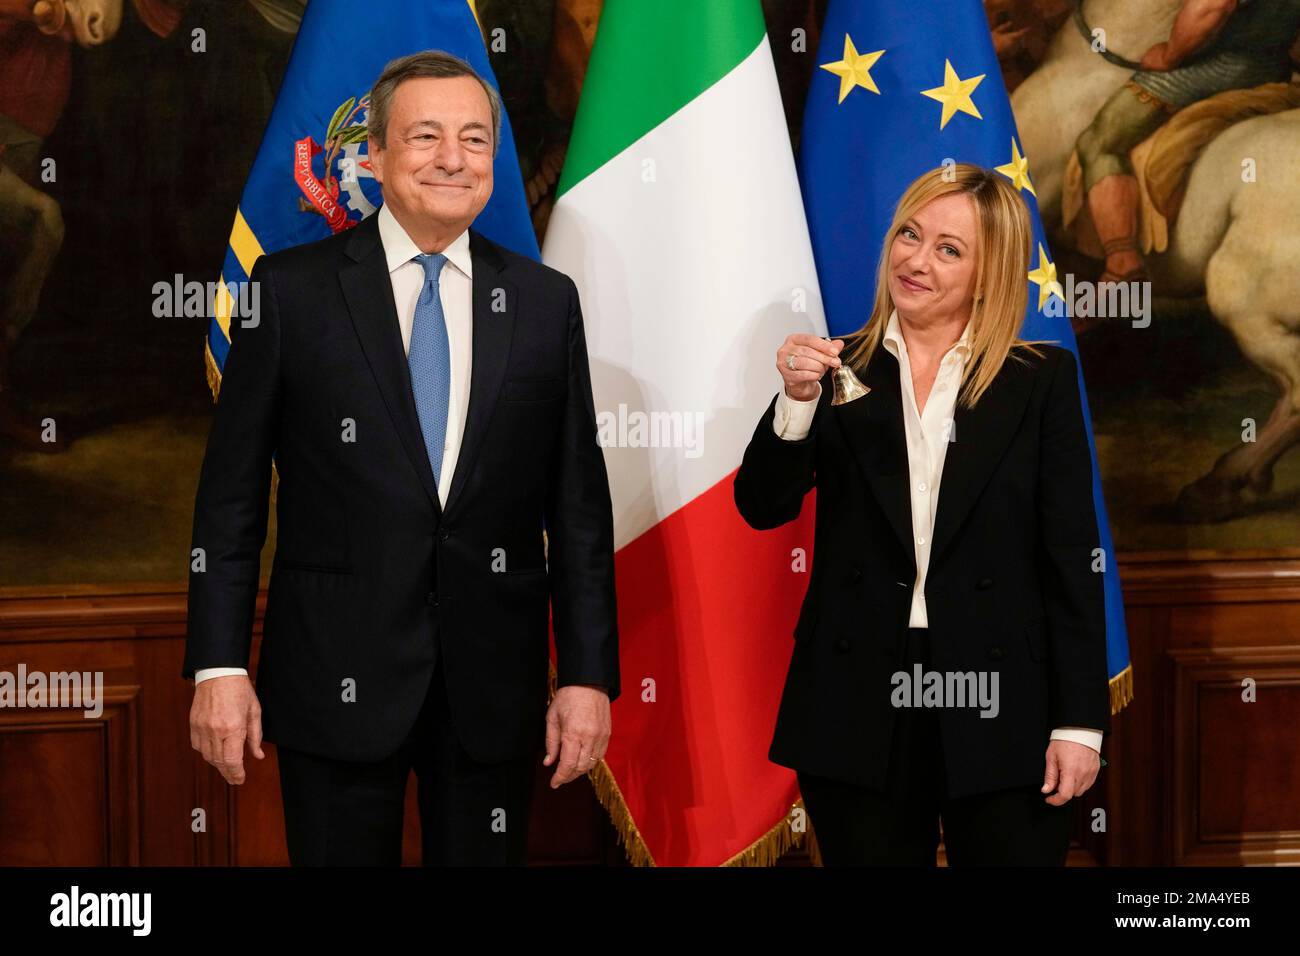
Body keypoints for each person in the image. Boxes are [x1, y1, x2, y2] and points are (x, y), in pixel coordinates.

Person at [183, 50, 620, 866]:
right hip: (334, 680)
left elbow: (578, 509)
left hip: (492, 689)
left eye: (474, 139)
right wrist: (217, 665)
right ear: (374, 156)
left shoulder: (541, 301)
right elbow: (230, 500)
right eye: (424, 136)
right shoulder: (289, 292)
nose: (453, 158)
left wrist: (589, 676)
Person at [734, 164, 1109, 866]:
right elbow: (762, 506)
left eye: (949, 249)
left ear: (989, 273)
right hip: (857, 696)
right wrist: (795, 401)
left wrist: (1080, 723)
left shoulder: (1040, 381)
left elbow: (1072, 560)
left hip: (1004, 700)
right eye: (910, 234)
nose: (916, 259)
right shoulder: (836, 370)